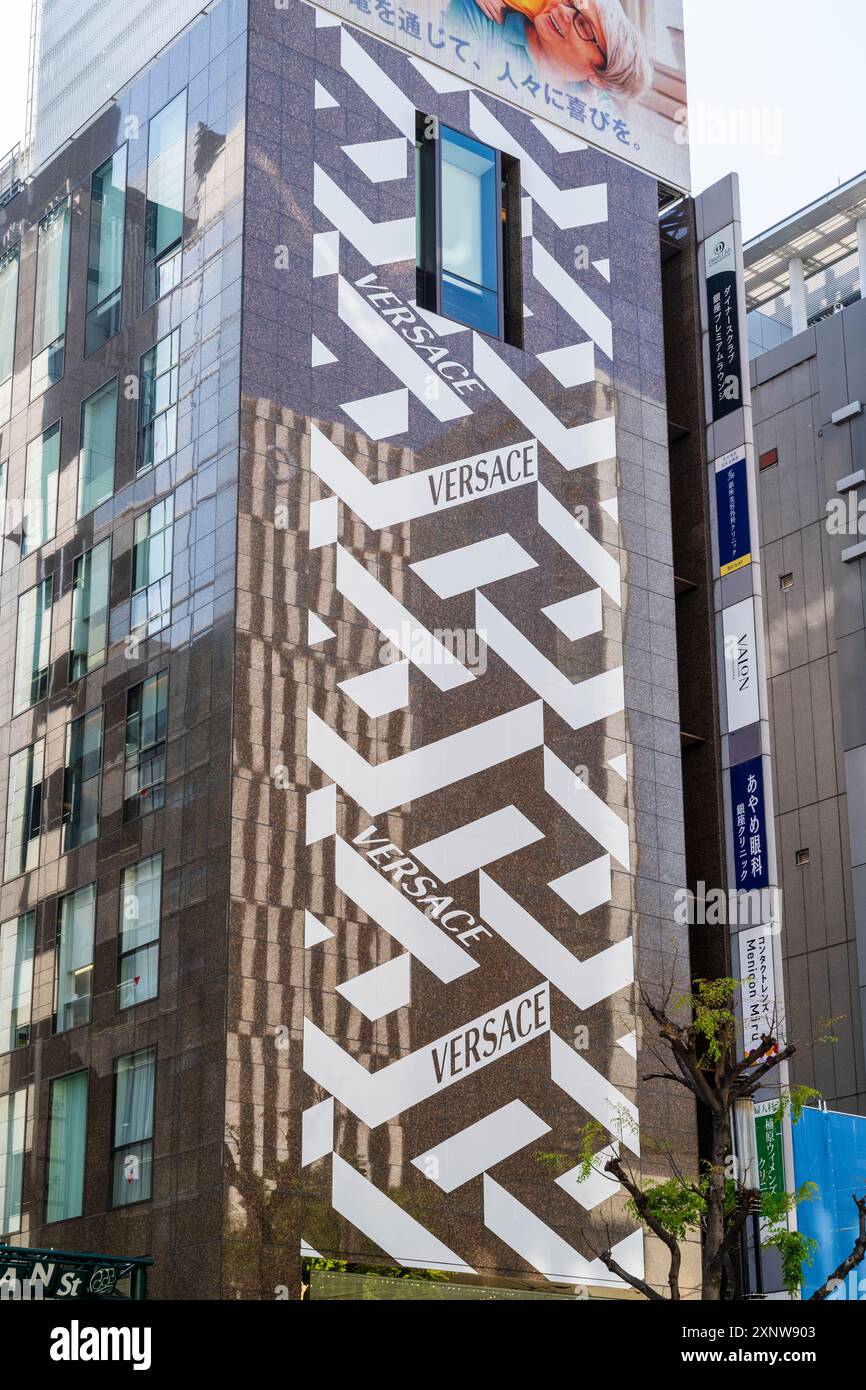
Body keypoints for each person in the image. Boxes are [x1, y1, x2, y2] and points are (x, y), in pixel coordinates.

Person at [445, 0, 652, 100]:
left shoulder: (595, 112)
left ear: (599, 79)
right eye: (570, 2)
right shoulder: (479, 16)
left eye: (583, 25)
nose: (561, 9)